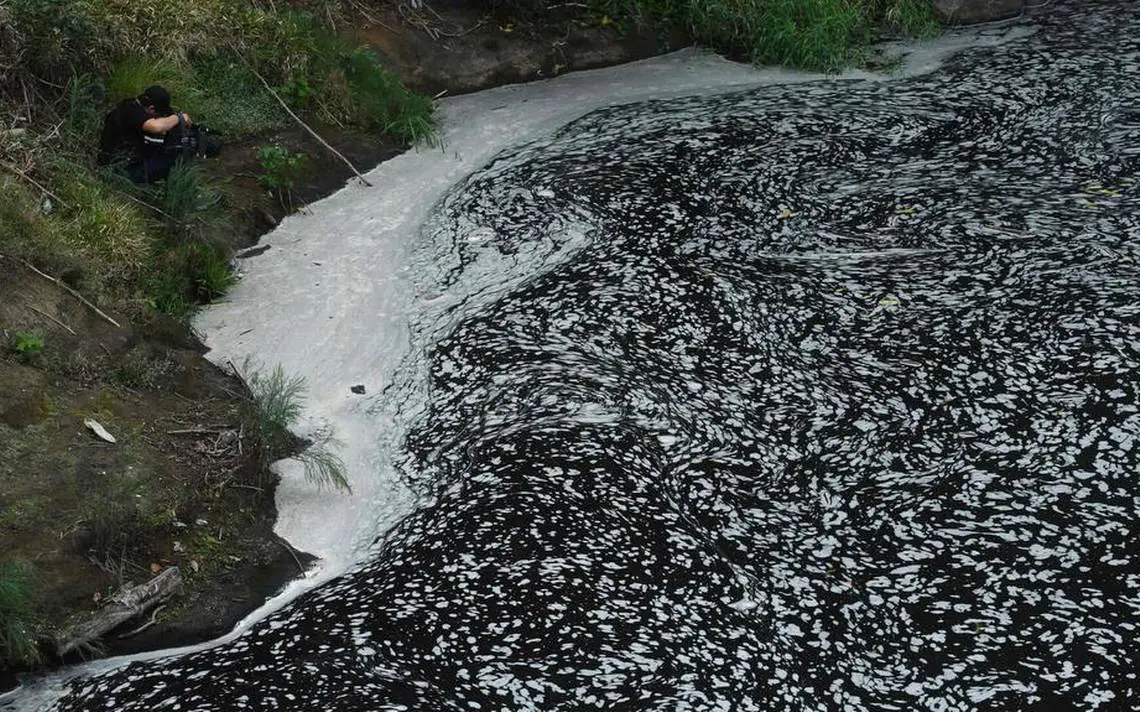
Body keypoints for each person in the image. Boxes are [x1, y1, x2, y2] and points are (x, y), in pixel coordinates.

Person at [97, 85, 219, 183]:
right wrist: (179, 118)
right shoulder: (131, 111)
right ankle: (179, 192)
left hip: (120, 165)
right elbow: (156, 126)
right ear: (151, 108)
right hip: (119, 171)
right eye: (157, 114)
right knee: (175, 160)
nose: (157, 117)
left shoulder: (130, 105)